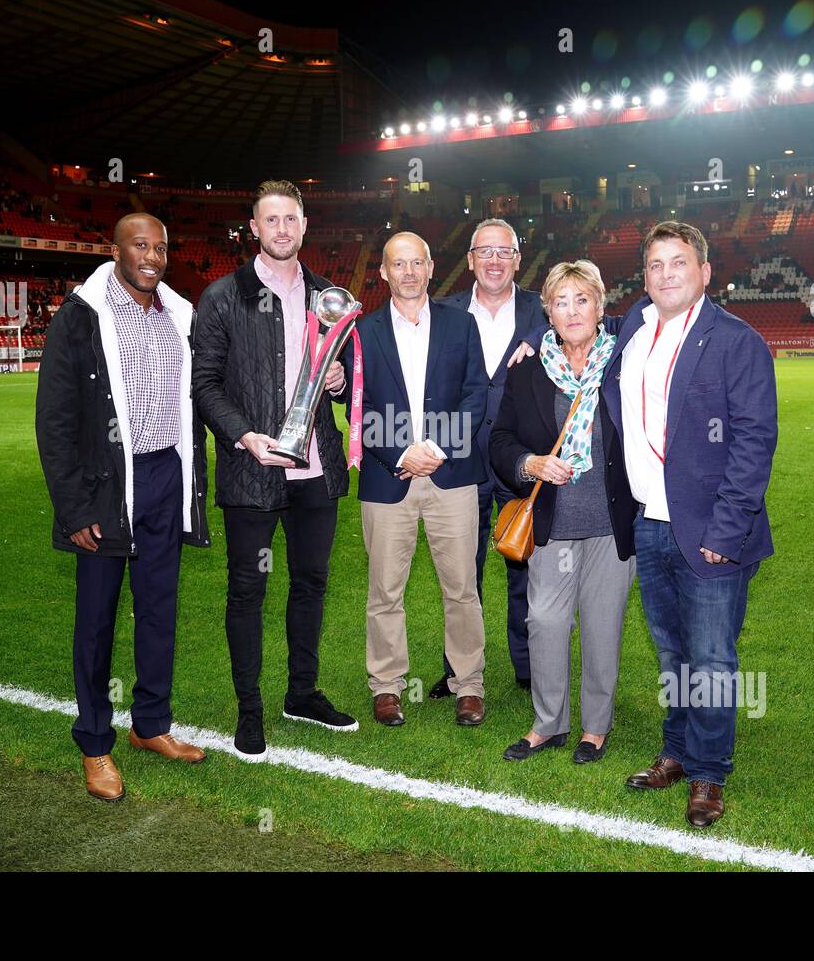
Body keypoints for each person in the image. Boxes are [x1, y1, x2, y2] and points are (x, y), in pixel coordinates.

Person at [36, 212, 210, 802]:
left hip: (166, 475)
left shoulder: (181, 314)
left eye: (161, 246)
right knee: (98, 619)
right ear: (114, 249)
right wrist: (73, 506)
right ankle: (94, 743)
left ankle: (151, 726)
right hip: (108, 484)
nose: (153, 256)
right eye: (141, 245)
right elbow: (54, 420)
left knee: (160, 609)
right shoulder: (81, 315)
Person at [615, 221, 777, 829]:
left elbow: (755, 441)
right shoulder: (632, 329)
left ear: (705, 272)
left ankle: (709, 772)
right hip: (650, 523)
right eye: (654, 264)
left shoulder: (737, 341)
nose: (664, 275)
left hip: (710, 532)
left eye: (677, 263)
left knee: (711, 659)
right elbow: (571, 331)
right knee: (672, 653)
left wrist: (725, 531)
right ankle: (677, 751)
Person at [193, 180, 357, 763]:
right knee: (248, 590)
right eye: (272, 219)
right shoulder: (223, 296)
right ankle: (249, 708)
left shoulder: (329, 298)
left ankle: (302, 694)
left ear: (305, 226)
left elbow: (344, 377)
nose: (283, 229)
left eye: (292, 218)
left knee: (310, 584)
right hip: (252, 470)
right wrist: (242, 435)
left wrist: (338, 381)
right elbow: (204, 383)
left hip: (315, 470)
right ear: (255, 228)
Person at [490, 260, 636, 764]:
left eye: (582, 300)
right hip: (551, 523)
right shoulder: (527, 368)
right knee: (545, 622)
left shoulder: (624, 360)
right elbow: (500, 439)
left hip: (611, 523)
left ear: (600, 306)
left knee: (602, 626)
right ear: (547, 311)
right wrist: (529, 463)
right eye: (560, 301)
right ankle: (548, 723)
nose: (571, 311)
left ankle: (595, 728)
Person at [347, 231, 489, 728]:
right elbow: (356, 405)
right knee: (385, 590)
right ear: (383, 272)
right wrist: (400, 452)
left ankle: (468, 684)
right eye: (397, 264)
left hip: (453, 475)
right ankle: (386, 686)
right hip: (389, 478)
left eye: (417, 263)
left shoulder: (461, 325)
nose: (407, 272)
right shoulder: (362, 332)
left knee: (462, 588)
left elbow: (476, 396)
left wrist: (435, 449)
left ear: (431, 268)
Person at [433, 218, 548, 697]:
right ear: (471, 259)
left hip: (521, 457)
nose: (496, 260)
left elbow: (593, 333)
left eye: (505, 252)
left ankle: (529, 667)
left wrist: (545, 340)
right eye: (486, 251)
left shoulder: (546, 310)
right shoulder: (443, 312)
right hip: (461, 457)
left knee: (526, 565)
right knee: (462, 569)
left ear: (518, 260)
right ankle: (461, 669)